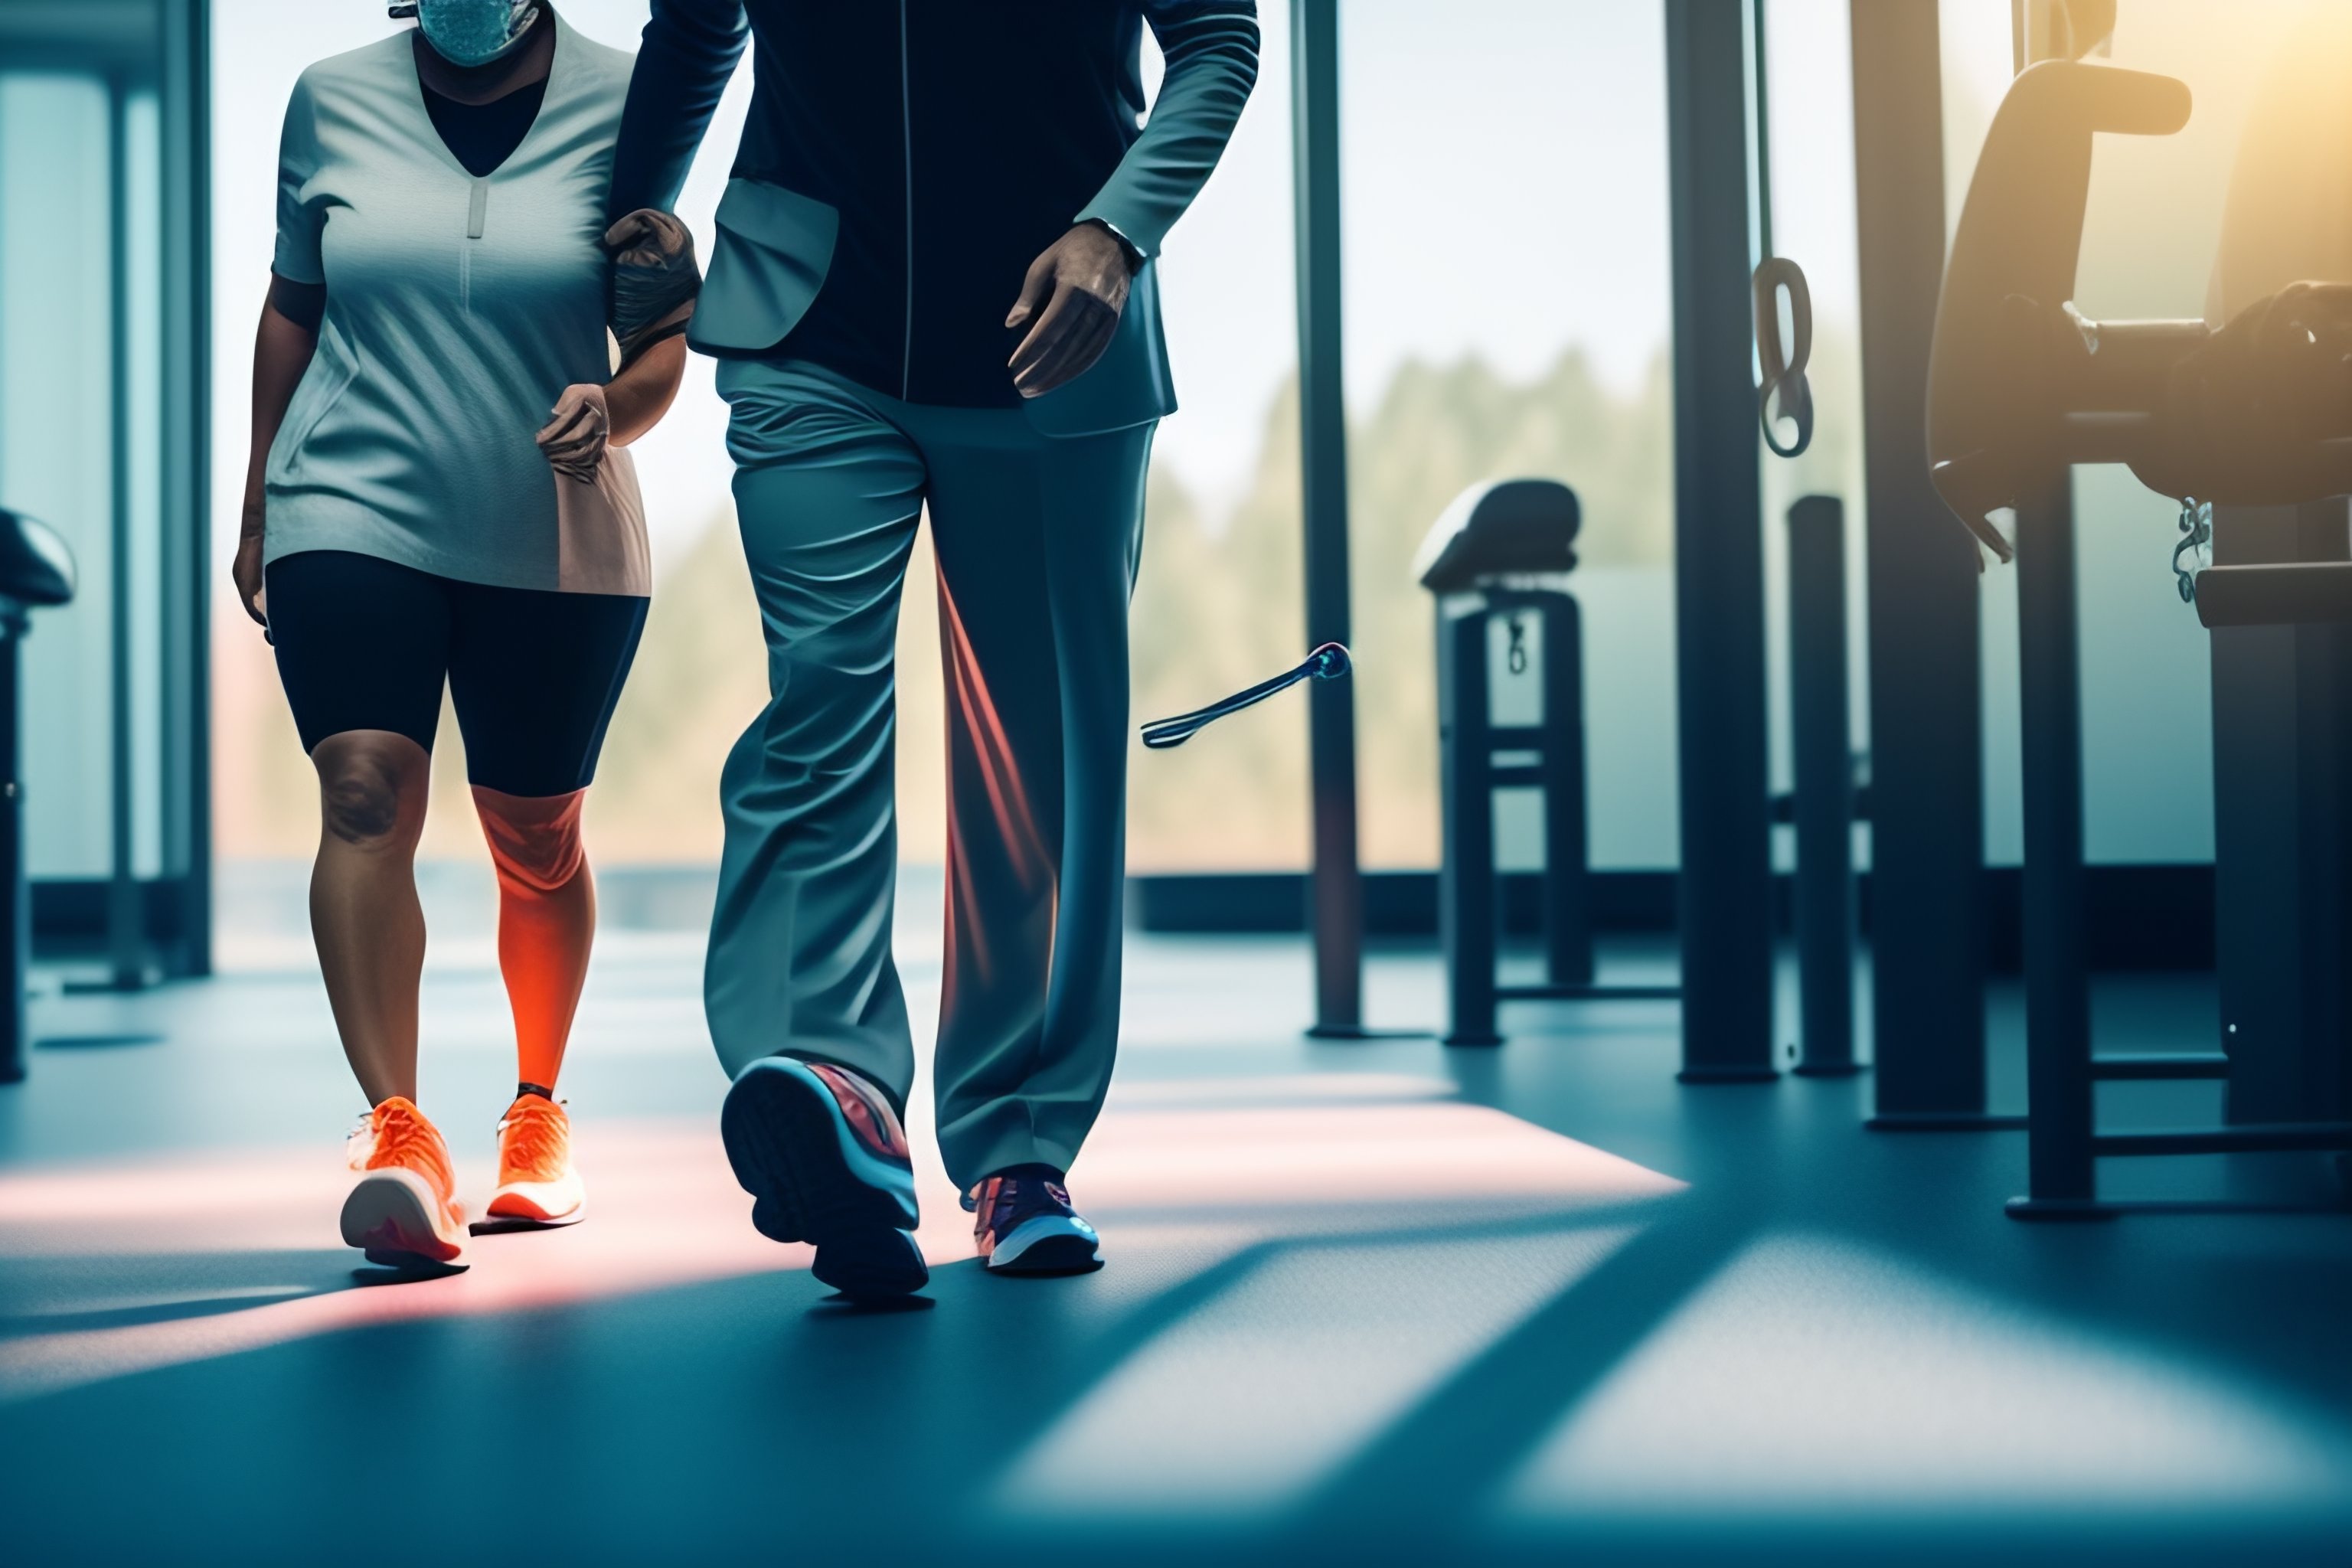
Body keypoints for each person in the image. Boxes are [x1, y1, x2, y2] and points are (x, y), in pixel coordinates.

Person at [608, 2, 1258, 1297]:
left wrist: (1119, 229)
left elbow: (1218, 40)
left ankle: (1020, 1146)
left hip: (1052, 331)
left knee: (1038, 757)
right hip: (809, 323)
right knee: (820, 705)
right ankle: (834, 1084)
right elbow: (695, 28)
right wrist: (630, 218)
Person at [234, 0, 697, 1272]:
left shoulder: (633, 103)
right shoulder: (331, 97)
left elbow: (662, 338)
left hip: (554, 521)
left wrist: (615, 409)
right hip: (349, 500)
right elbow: (292, 307)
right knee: (364, 792)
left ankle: (538, 1117)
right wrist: (262, 499)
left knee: (536, 839)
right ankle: (398, 1136)